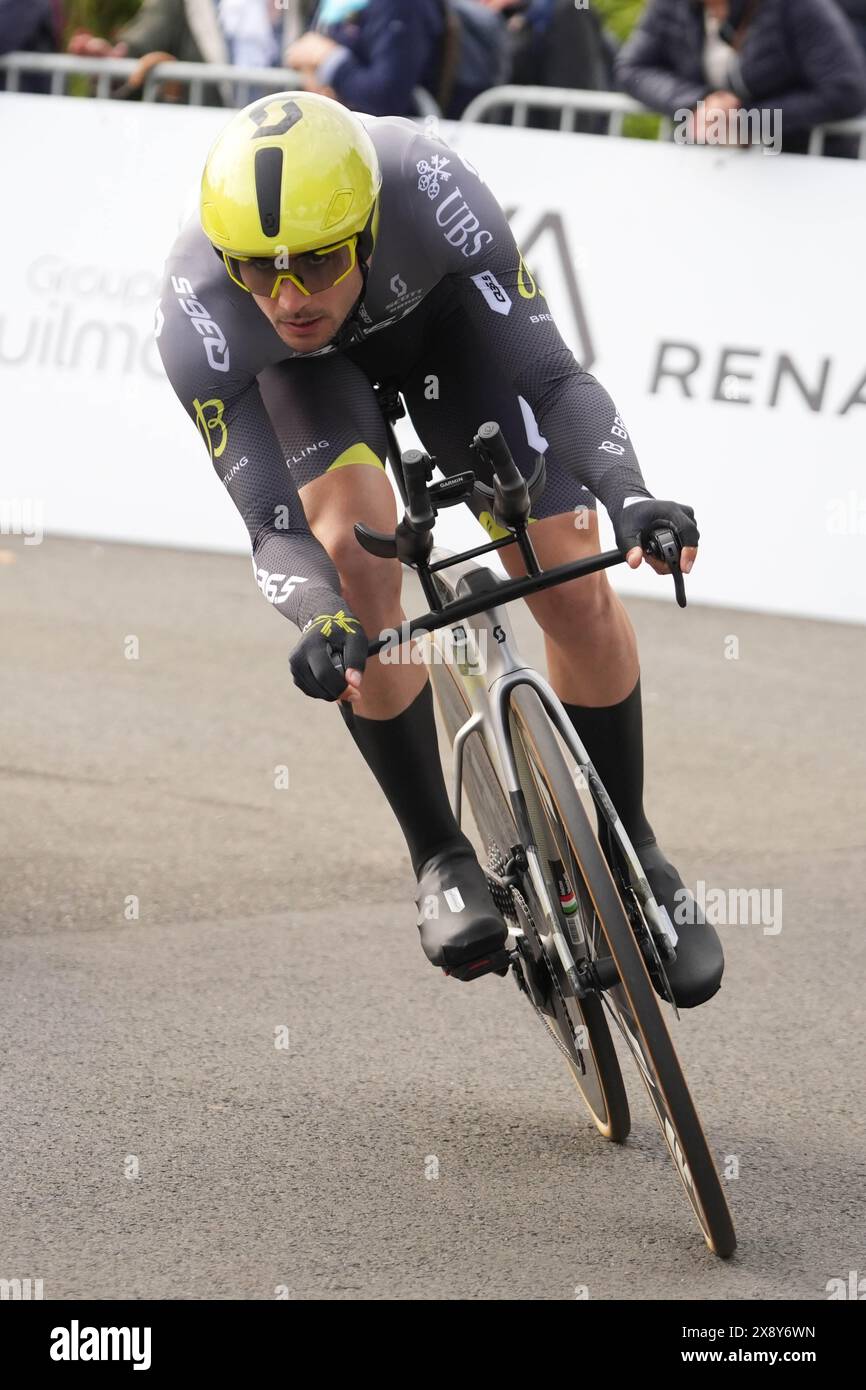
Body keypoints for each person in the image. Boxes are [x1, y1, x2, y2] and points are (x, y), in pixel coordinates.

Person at [156, 91, 724, 1006]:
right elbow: (275, 529)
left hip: (444, 329)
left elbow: (553, 378)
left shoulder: (426, 183)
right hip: (311, 384)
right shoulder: (200, 307)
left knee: (568, 569)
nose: (290, 297)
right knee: (355, 562)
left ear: (368, 228)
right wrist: (322, 618)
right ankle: (439, 853)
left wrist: (630, 494)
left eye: (319, 260)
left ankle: (635, 847)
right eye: (259, 270)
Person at [615, 0, 866, 153]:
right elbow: (632, 68)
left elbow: (847, 88)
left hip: (798, 169)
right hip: (704, 165)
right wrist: (700, 101)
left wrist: (748, 121)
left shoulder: (797, 7)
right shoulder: (670, 6)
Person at [285, 0, 445, 118]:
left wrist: (329, 60)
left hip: (387, 142)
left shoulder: (404, 6)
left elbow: (387, 96)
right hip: (338, 131)